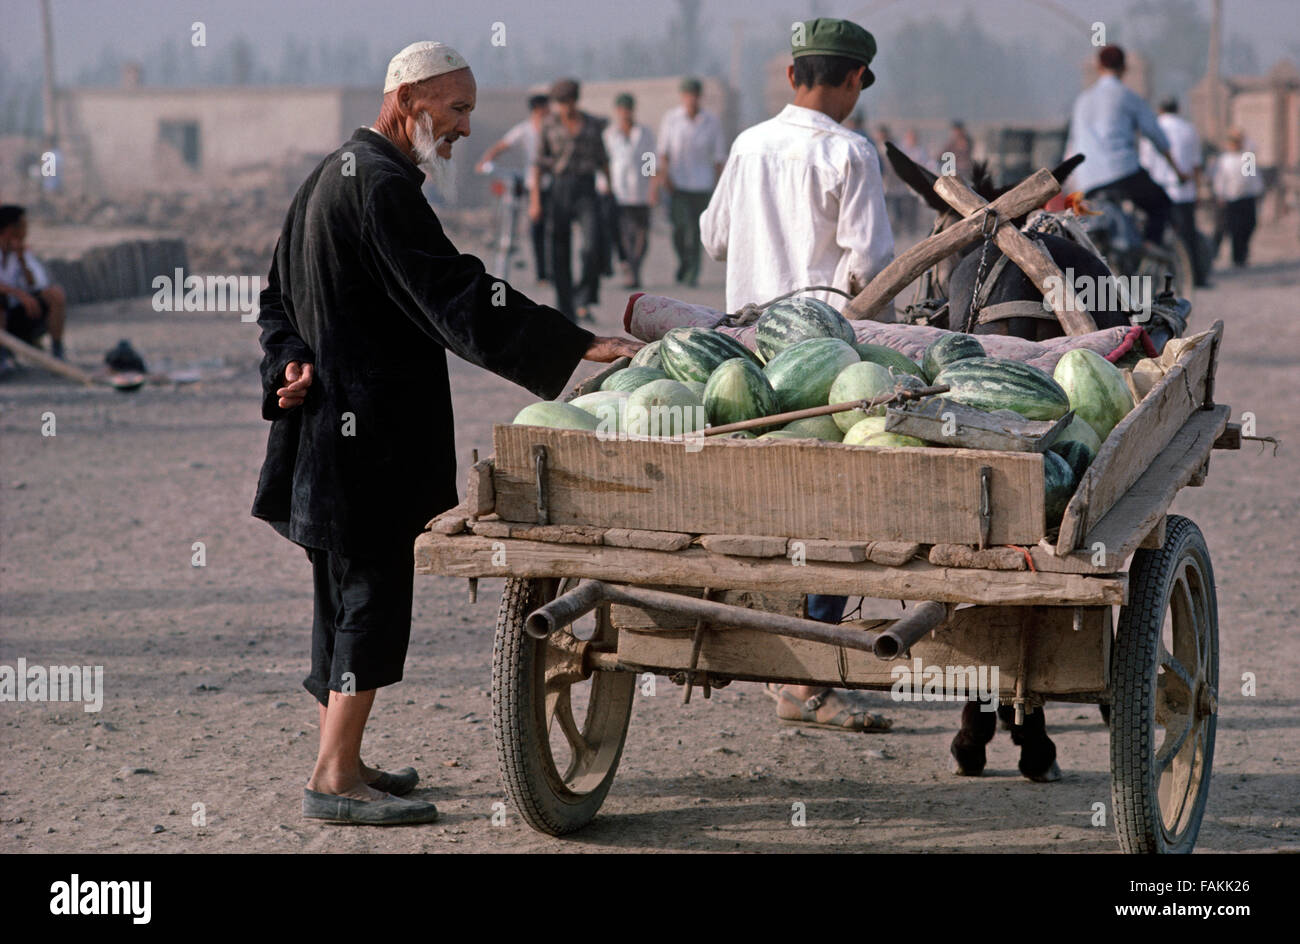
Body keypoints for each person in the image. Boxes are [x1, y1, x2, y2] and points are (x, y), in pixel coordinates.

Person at [252, 41, 639, 827]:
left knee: (342, 596)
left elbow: (275, 305)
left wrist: (288, 361)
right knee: (370, 598)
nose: (464, 127)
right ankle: (333, 779)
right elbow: (453, 290)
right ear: (409, 99)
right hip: (366, 446)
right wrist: (570, 343)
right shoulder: (381, 186)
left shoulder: (332, 175)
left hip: (330, 440)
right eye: (455, 109)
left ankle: (344, 756)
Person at [700, 17, 894, 733]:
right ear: (851, 80)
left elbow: (712, 237)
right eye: (856, 87)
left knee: (765, 503)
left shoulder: (749, 144)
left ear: (790, 76)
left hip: (743, 362)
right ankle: (801, 678)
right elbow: (871, 267)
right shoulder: (851, 152)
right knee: (837, 509)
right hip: (820, 364)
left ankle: (776, 656)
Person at [1065, 45, 1187, 244]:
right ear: (1124, 68)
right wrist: (1178, 172)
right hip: (1123, 173)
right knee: (1161, 205)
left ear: (1098, 67)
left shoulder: (1082, 101)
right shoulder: (1128, 97)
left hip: (1087, 179)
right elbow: (1157, 137)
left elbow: (1071, 147)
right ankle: (1150, 250)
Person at [529, 78, 609, 323]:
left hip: (586, 187)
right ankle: (566, 308)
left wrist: (610, 188)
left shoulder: (592, 124)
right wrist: (535, 201)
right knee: (559, 249)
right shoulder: (548, 124)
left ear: (575, 100)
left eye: (567, 101)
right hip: (560, 187)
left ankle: (583, 295)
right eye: (559, 102)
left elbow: (603, 159)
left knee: (592, 245)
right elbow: (539, 163)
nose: (564, 107)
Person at [655, 77, 727, 288]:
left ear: (699, 97)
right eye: (687, 95)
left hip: (702, 184)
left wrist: (719, 187)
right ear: (682, 97)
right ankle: (683, 263)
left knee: (696, 231)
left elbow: (718, 157)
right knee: (679, 229)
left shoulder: (711, 121)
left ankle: (692, 273)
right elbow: (661, 152)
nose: (691, 99)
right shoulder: (671, 119)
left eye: (694, 95)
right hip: (677, 184)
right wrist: (661, 179)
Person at [476, 93, 551, 283]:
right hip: (533, 184)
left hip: (553, 184)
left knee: (554, 229)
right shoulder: (524, 130)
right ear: (538, 109)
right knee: (537, 228)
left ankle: (552, 270)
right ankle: (542, 273)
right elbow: (503, 145)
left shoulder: (553, 128)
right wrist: (485, 160)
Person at [1139, 98, 1208, 286]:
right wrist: (1199, 190)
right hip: (1184, 192)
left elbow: (1145, 164)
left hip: (1159, 192)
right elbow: (1195, 165)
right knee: (1187, 236)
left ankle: (1156, 280)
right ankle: (1195, 278)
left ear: (1160, 109)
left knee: (1156, 237)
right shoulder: (1189, 129)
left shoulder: (1152, 130)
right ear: (1178, 109)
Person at [0, 205, 68, 374]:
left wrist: (22, 260)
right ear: (10, 229)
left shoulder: (23, 252)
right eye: (23, 225)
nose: (26, 230)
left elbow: (37, 285)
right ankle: (2, 356)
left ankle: (57, 351)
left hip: (20, 315)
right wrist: (19, 294)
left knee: (55, 294)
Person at [602, 93, 656, 289]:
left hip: (640, 191)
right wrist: (604, 185)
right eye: (621, 109)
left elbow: (649, 160)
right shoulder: (609, 134)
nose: (625, 112)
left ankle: (635, 268)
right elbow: (605, 162)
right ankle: (629, 270)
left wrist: (652, 187)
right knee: (624, 235)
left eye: (628, 108)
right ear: (617, 111)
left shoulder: (645, 133)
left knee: (641, 234)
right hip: (618, 191)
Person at [1211, 128, 1264, 267]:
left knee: (1248, 226)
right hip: (1230, 199)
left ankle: (1243, 253)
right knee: (1234, 229)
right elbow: (1219, 179)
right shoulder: (1224, 159)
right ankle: (1237, 257)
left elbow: (1252, 179)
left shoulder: (1247, 157)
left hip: (1246, 198)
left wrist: (1257, 193)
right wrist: (1220, 195)